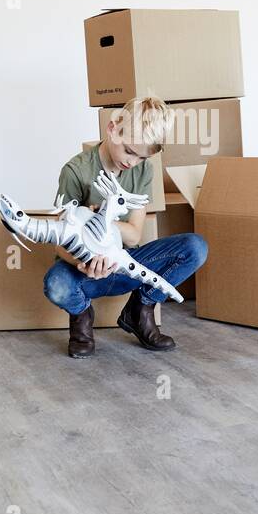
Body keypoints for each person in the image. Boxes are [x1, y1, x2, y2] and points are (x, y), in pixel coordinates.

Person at [42, 97, 208, 358]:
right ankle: (81, 317)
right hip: (84, 271)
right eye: (130, 151)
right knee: (55, 284)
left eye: (142, 157)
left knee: (196, 247)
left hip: (126, 265)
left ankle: (139, 310)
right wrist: (82, 263)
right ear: (112, 129)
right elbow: (59, 241)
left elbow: (133, 235)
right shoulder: (75, 171)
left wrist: (103, 220)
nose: (132, 162)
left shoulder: (143, 171)